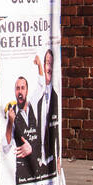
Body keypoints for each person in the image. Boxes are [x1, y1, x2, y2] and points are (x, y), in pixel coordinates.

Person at [3, 76, 40, 184]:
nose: (20, 91)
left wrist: (32, 147)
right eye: (17, 88)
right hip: (22, 173)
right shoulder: (11, 113)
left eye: (22, 88)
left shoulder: (35, 108)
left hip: (39, 168)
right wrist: (10, 122)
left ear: (27, 91)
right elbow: (6, 145)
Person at [32, 50, 60, 178]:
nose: (49, 67)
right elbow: (40, 84)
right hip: (37, 160)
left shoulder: (55, 96)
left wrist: (58, 156)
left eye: (52, 64)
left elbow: (57, 130)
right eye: (47, 63)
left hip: (51, 160)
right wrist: (38, 67)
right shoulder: (38, 96)